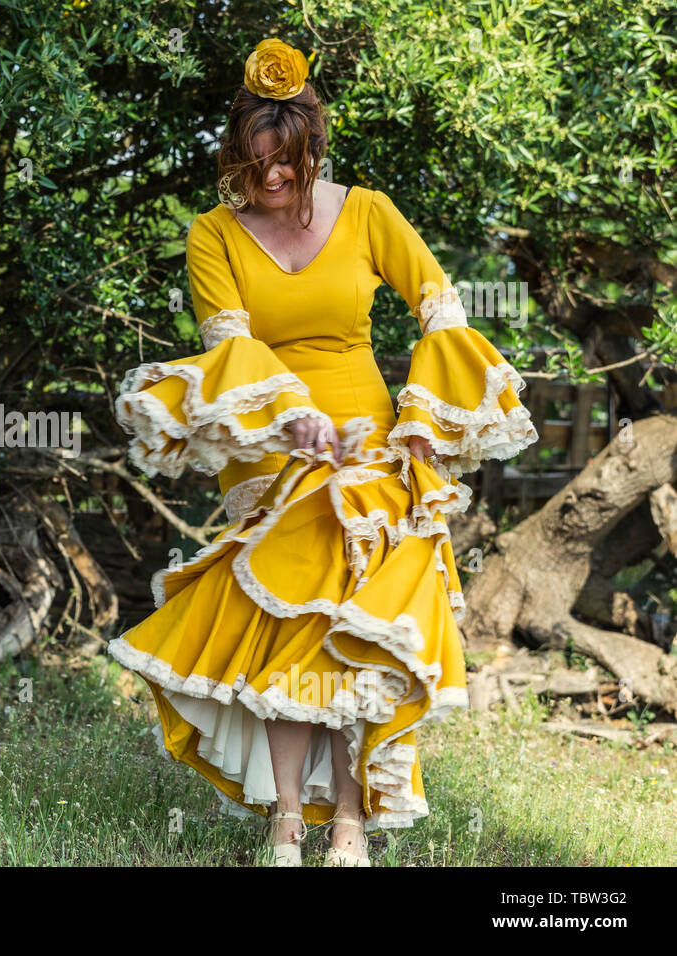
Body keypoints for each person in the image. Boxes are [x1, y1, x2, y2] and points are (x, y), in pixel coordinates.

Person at [107, 38, 538, 866]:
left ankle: (348, 820)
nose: (271, 179)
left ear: (313, 148)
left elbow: (440, 309)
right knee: (287, 632)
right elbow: (229, 343)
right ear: (238, 155)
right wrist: (289, 419)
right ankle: (285, 824)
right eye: (255, 163)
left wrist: (423, 414)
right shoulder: (212, 234)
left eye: (287, 163)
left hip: (369, 443)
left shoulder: (370, 211)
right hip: (272, 445)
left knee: (356, 632)